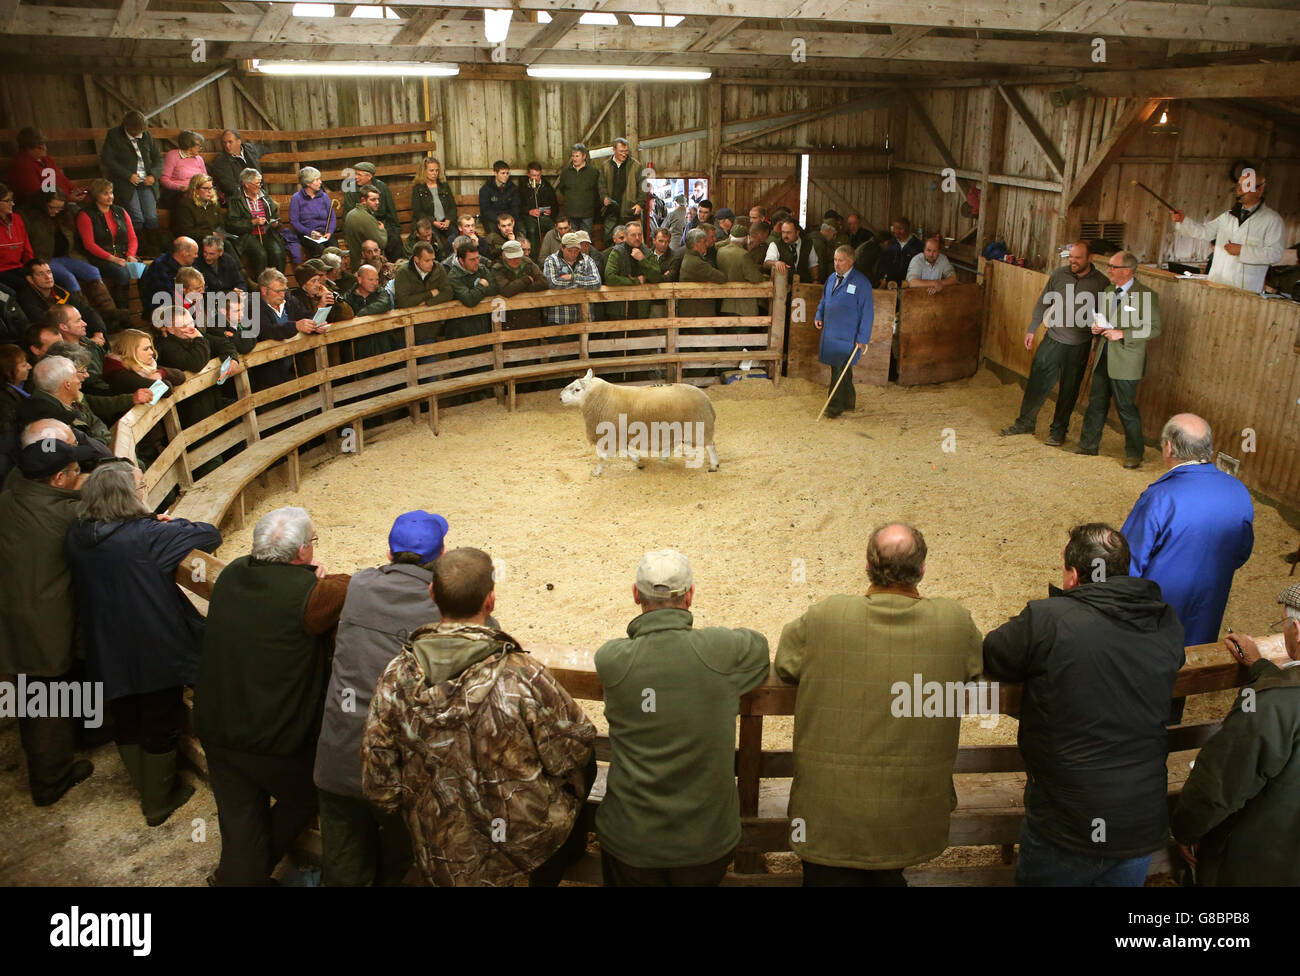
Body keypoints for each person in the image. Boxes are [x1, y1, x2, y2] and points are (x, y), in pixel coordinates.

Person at [362, 546, 596, 886]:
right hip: (522, 851)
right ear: (491, 601)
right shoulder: (522, 676)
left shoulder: (397, 675)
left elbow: (379, 784)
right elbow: (575, 752)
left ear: (432, 594)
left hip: (439, 850)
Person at [776, 523, 982, 885]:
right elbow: (974, 666)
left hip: (828, 814)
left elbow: (787, 664)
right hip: (909, 814)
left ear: (867, 567)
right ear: (921, 570)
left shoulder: (826, 616)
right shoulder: (954, 622)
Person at [983, 523, 1185, 886]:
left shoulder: (1048, 618)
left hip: (1066, 824)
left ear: (1073, 576)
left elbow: (995, 652)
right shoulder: (1164, 621)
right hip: (1137, 822)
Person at [195, 506, 351, 886]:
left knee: (239, 817)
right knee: (308, 793)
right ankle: (239, 876)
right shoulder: (310, 595)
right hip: (273, 739)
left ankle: (236, 877)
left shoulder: (232, 573)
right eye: (312, 542)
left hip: (216, 727)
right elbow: (351, 586)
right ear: (302, 553)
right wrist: (317, 580)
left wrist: (307, 579)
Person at [596, 549, 768, 886]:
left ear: (635, 594)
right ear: (690, 595)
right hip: (704, 842)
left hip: (631, 839)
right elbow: (758, 646)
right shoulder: (721, 649)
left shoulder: (612, 658)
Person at [65, 460, 222, 826]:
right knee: (159, 722)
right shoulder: (147, 536)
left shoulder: (77, 534)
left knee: (127, 717)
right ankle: (157, 801)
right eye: (138, 485)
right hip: (153, 646)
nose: (143, 488)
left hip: (106, 645)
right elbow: (207, 533)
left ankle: (143, 785)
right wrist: (165, 521)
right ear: (124, 495)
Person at [314, 512, 463, 886]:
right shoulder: (445, 608)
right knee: (400, 860)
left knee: (344, 866)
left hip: (338, 758)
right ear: (441, 553)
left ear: (389, 552)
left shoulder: (360, 584)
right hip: (400, 772)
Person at [0, 421, 100, 806]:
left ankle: (77, 738)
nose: (79, 474)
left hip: (17, 609)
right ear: (58, 478)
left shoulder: (12, 494)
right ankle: (50, 780)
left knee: (39, 692)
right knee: (43, 701)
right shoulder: (64, 517)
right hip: (44, 620)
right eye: (74, 471)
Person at [1171, 619, 1300, 886]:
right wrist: (1262, 668)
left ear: (1297, 630)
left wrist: (1185, 829)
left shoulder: (1270, 706)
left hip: (1258, 863)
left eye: (1285, 623)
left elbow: (1218, 786)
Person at [1122, 413, 1254, 647]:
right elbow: (1241, 553)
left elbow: (1128, 562)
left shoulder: (1159, 497)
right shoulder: (1238, 490)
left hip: (1155, 619)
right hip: (1207, 610)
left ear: (1169, 447)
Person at [1000, 241, 1110, 445]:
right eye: (1071, 257)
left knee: (1069, 390)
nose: (1073, 261)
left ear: (1090, 258)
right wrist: (1032, 328)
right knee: (1037, 382)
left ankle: (1058, 431)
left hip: (1080, 344)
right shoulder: (1060, 275)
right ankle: (1025, 422)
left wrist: (1096, 344)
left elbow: (1103, 316)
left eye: (1078, 258)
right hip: (1053, 339)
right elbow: (1044, 301)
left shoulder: (1101, 283)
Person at [1075, 250, 1162, 468]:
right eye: (1110, 266)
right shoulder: (1107, 291)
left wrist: (1123, 334)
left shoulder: (1147, 295)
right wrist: (1097, 328)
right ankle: (1087, 445)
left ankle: (1134, 453)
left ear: (1128, 271)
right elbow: (1104, 321)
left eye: (1114, 267)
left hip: (1127, 361)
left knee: (1126, 407)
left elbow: (1153, 328)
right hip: (1104, 355)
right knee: (1096, 403)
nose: (1110, 270)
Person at [1171, 167, 1285, 294]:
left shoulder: (1272, 220)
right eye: (1239, 185)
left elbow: (1275, 254)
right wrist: (1183, 220)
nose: (1240, 189)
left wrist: (1242, 250)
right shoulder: (1227, 216)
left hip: (1245, 289)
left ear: (1259, 190)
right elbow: (1204, 232)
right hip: (1217, 283)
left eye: (1246, 185)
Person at [20, 191, 112, 316]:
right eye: (53, 207)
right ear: (44, 205)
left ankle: (110, 314)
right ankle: (82, 315)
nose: (57, 210)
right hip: (45, 259)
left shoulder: (65, 216)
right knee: (69, 278)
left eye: (60, 207)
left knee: (93, 271)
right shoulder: (33, 219)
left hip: (68, 256)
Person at [815, 245, 873, 419]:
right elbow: (825, 300)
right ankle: (848, 401)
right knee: (841, 367)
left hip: (848, 336)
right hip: (831, 332)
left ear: (851, 261)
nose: (836, 264)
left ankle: (834, 406)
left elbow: (867, 312)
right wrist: (819, 314)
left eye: (840, 260)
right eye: (835, 260)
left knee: (839, 368)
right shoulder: (831, 279)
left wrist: (862, 337)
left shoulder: (861, 283)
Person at [99, 111, 162, 256]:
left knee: (151, 217)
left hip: (146, 182)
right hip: (126, 183)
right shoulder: (114, 136)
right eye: (135, 131)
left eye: (140, 130)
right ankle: (139, 250)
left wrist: (154, 175)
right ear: (126, 126)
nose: (138, 133)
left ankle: (154, 250)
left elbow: (158, 158)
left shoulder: (147, 136)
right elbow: (108, 160)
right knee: (137, 217)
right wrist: (128, 175)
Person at [75, 177, 138, 311]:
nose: (110, 197)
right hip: (101, 258)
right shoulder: (85, 215)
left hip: (123, 255)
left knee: (145, 271)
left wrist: (131, 255)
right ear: (96, 195)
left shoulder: (120, 211)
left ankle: (145, 313)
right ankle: (122, 313)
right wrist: (113, 259)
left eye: (111, 193)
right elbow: (89, 244)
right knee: (123, 274)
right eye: (105, 193)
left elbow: (132, 238)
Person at [16, 259, 107, 347]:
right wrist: (85, 341)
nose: (48, 277)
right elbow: (50, 323)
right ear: (30, 279)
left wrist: (98, 332)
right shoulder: (26, 299)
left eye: (49, 272)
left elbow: (88, 311)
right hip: (51, 341)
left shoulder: (61, 292)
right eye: (41, 274)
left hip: (70, 333)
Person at [225, 169, 286, 280]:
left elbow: (275, 214)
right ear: (247, 184)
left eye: (260, 183)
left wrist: (275, 222)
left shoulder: (264, 196)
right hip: (248, 235)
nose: (260, 186)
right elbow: (232, 224)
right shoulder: (236, 199)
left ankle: (278, 283)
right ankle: (261, 286)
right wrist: (251, 222)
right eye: (257, 183)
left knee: (277, 252)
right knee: (261, 254)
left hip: (267, 233)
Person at [7, 128, 85, 205]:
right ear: (27, 148)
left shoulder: (46, 160)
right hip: (44, 209)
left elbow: (61, 179)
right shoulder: (23, 166)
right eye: (39, 147)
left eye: (44, 144)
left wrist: (73, 190)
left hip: (62, 202)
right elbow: (36, 196)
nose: (44, 148)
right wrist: (67, 198)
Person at [343, 162, 403, 262]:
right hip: (362, 225)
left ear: (369, 176)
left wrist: (396, 230)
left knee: (395, 240)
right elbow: (348, 214)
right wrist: (346, 236)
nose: (356, 177)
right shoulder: (351, 189)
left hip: (381, 223)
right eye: (355, 174)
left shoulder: (382, 187)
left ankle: (395, 269)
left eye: (359, 175)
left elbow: (391, 211)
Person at [603, 220, 662, 319]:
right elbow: (609, 277)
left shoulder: (647, 252)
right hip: (620, 307)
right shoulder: (617, 252)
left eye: (639, 235)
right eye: (633, 235)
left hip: (641, 307)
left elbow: (656, 276)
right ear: (625, 236)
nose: (637, 238)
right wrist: (635, 281)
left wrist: (642, 260)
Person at [542, 232, 602, 327]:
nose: (573, 254)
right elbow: (553, 283)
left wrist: (573, 278)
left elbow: (596, 282)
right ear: (562, 247)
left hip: (584, 317)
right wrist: (584, 283)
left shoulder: (588, 260)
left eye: (576, 250)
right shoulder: (551, 260)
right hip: (560, 317)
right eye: (570, 251)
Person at [284, 166, 337, 263]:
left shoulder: (324, 197)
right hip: (307, 235)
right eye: (317, 180)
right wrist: (310, 232)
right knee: (319, 249)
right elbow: (294, 221)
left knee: (334, 250)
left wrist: (329, 232)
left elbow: (332, 217)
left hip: (324, 233)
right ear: (308, 183)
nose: (320, 182)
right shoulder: (297, 198)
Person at [492, 240, 548, 330]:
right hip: (508, 318)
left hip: (530, 314)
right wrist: (526, 280)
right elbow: (506, 290)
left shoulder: (528, 263)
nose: (515, 261)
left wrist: (518, 288)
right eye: (511, 258)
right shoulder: (497, 269)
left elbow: (544, 282)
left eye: (518, 257)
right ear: (504, 255)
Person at [138, 235, 198, 314]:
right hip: (164, 310)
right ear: (184, 253)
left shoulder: (189, 265)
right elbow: (166, 297)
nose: (196, 256)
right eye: (195, 253)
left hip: (183, 307)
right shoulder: (160, 266)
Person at [598, 138, 642, 244]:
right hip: (611, 209)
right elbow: (601, 184)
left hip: (628, 209)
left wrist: (640, 204)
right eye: (621, 151)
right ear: (614, 150)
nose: (624, 154)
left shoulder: (636, 166)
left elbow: (643, 186)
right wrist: (604, 197)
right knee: (609, 238)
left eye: (626, 151)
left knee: (630, 240)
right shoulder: (605, 166)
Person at [410, 156, 457, 255]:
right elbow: (418, 211)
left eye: (436, 170)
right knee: (435, 237)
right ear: (424, 171)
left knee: (455, 235)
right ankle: (440, 259)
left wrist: (448, 220)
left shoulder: (444, 186)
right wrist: (433, 222)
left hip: (445, 222)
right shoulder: (418, 188)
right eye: (431, 170)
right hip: (429, 222)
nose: (435, 173)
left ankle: (451, 259)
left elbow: (453, 207)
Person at [678, 227, 726, 317]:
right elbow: (721, 277)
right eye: (704, 242)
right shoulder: (697, 263)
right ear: (696, 245)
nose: (706, 244)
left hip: (694, 310)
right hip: (697, 312)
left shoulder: (690, 257)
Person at [717, 224, 762, 317]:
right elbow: (755, 278)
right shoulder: (744, 255)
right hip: (742, 305)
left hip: (725, 302)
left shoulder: (720, 251)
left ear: (730, 237)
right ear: (746, 239)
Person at [555, 143, 599, 235]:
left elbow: (597, 191)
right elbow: (562, 188)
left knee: (586, 240)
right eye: (573, 156)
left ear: (584, 156)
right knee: (571, 240)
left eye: (577, 156)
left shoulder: (593, 171)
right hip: (570, 213)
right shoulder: (566, 171)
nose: (574, 158)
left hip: (587, 213)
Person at [0, 182, 36, 293]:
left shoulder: (17, 219)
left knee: (41, 281)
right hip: (1, 271)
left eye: (12, 200)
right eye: (8, 201)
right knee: (25, 287)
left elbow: (27, 249)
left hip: (17, 267)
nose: (13, 204)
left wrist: (33, 270)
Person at [208, 129, 263, 200]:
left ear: (239, 141)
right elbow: (229, 186)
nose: (227, 145)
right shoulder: (221, 161)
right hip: (238, 198)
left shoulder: (249, 150)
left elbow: (262, 149)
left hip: (257, 192)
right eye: (224, 143)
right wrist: (249, 194)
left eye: (230, 142)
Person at [171, 174, 223, 248]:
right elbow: (186, 231)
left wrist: (221, 233)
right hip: (195, 241)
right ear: (195, 190)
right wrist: (210, 234)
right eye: (205, 188)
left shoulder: (214, 204)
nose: (209, 191)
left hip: (213, 239)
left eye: (211, 188)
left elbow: (220, 224)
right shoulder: (185, 205)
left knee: (228, 244)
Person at [159, 130, 208, 208]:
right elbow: (164, 179)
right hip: (177, 192)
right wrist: (180, 187)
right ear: (189, 144)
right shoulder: (173, 155)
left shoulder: (199, 159)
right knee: (189, 203)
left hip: (197, 192)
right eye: (198, 145)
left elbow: (205, 179)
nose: (201, 148)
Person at [519, 161, 557, 258]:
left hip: (544, 217)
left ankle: (554, 256)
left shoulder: (547, 187)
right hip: (529, 218)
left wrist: (551, 211)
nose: (536, 178)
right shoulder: (522, 187)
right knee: (532, 230)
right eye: (533, 175)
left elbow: (555, 205)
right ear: (528, 175)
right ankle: (534, 257)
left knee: (554, 229)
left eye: (538, 175)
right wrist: (529, 211)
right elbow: (518, 206)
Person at [764, 219, 819, 284]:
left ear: (797, 232)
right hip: (783, 286)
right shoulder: (775, 244)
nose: (785, 236)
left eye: (789, 232)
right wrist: (776, 263)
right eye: (783, 232)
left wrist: (815, 280)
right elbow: (767, 263)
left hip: (803, 285)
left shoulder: (808, 244)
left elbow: (813, 265)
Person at [343, 187, 388, 266]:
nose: (377, 202)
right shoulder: (366, 218)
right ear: (363, 200)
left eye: (378, 199)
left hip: (356, 262)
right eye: (373, 200)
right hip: (367, 265)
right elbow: (381, 243)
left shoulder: (351, 214)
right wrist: (382, 230)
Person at [877, 217, 922, 287]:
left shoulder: (917, 246)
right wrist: (882, 277)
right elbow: (882, 263)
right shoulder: (891, 244)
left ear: (906, 229)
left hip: (908, 284)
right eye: (894, 228)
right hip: (890, 284)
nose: (895, 231)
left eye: (899, 229)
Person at [478, 159, 520, 231]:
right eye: (502, 173)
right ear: (495, 173)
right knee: (494, 231)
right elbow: (485, 210)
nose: (506, 176)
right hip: (493, 219)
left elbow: (516, 207)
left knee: (521, 229)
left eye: (507, 173)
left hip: (509, 219)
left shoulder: (513, 188)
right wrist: (499, 220)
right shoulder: (486, 189)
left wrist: (510, 220)